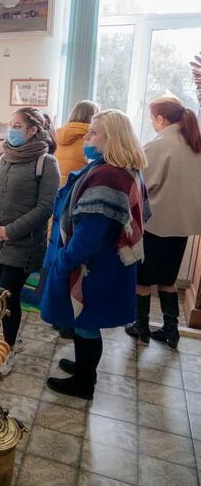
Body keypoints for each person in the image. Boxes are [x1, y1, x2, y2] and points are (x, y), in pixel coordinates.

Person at [41, 110, 149, 399]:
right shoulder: (122, 169)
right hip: (107, 264)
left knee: (87, 323)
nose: (86, 138)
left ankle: (84, 382)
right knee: (83, 324)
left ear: (111, 138)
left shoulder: (108, 175)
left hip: (93, 267)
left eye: (93, 133)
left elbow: (89, 235)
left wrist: (64, 262)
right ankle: (81, 366)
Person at [0, 108, 60, 353]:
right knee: (5, 293)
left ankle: (8, 346)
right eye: (10, 124)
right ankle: (3, 340)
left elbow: (46, 207)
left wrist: (9, 232)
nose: (11, 130)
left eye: (17, 126)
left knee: (8, 296)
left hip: (23, 246)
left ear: (33, 130)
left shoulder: (46, 163)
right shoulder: (2, 158)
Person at [125, 97, 201, 348]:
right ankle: (171, 331)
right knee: (168, 279)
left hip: (155, 224)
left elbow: (142, 185)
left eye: (152, 118)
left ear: (160, 119)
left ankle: (141, 327)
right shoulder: (194, 142)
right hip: (183, 225)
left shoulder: (160, 144)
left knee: (143, 279)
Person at [53, 100, 99, 185]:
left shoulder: (58, 135)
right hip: (74, 187)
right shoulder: (91, 140)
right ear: (92, 118)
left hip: (55, 186)